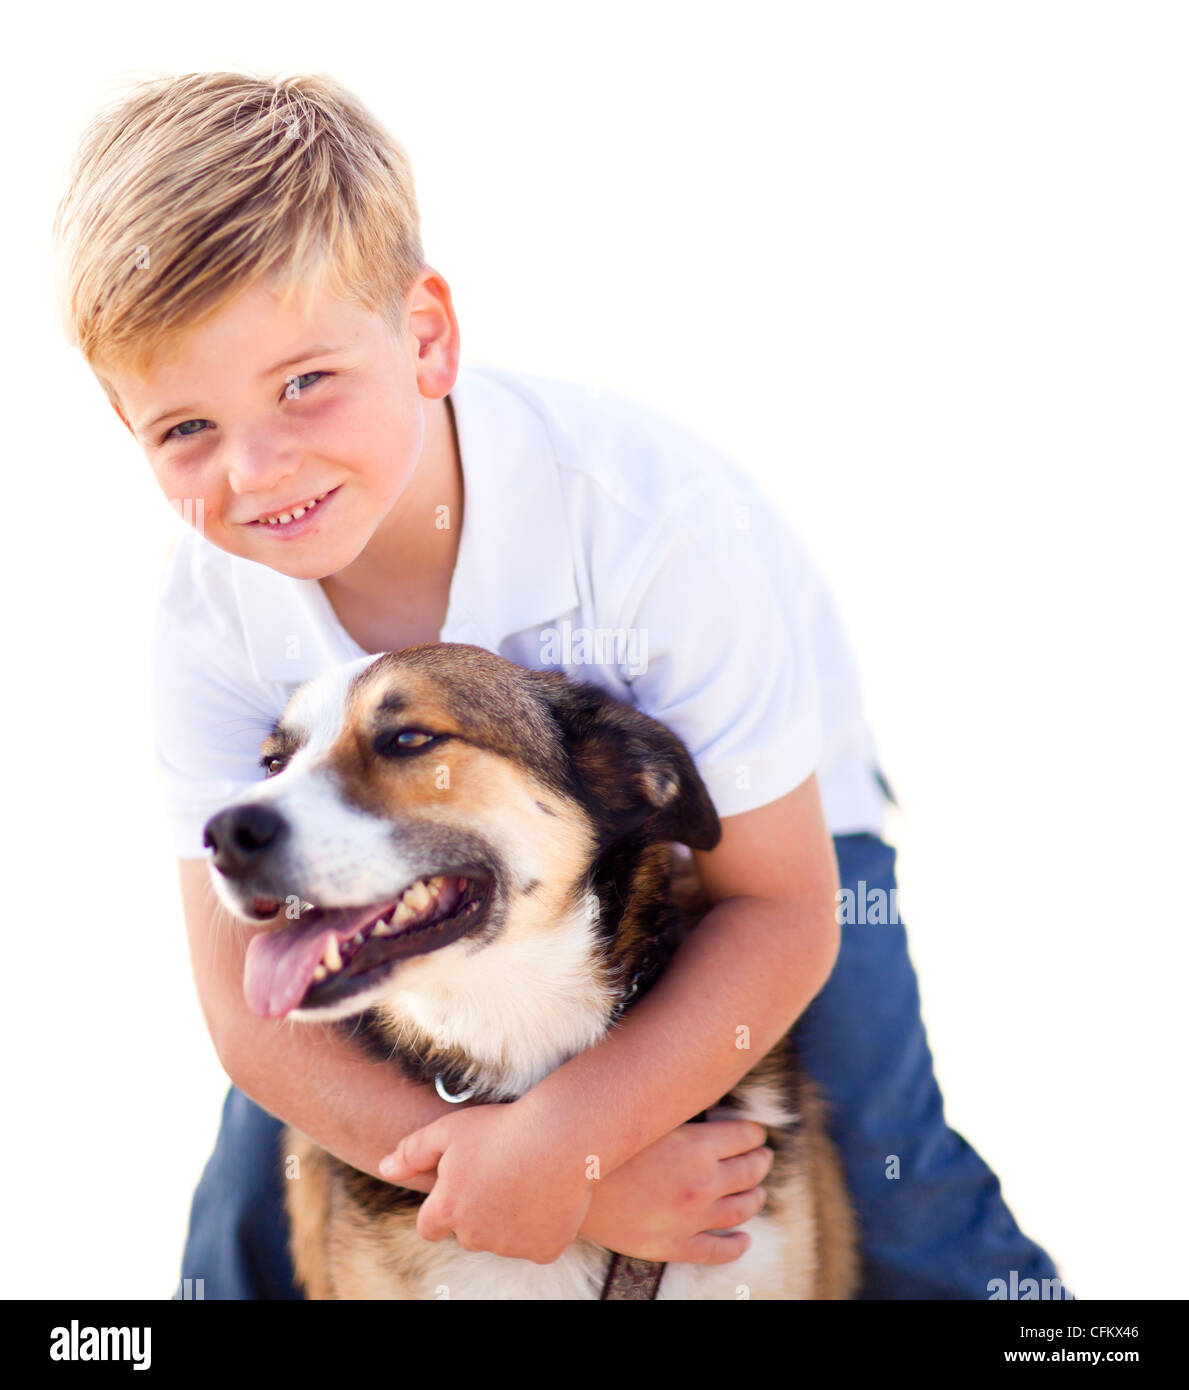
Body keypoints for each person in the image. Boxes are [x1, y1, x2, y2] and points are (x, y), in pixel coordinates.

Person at [53, 69, 1064, 1300]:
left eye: (305, 382)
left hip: (767, 841)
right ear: (128, 426)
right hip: (381, 878)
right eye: (186, 431)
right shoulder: (206, 612)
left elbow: (781, 910)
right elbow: (243, 1004)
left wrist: (570, 1135)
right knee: (243, 1225)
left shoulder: (652, 526)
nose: (259, 470)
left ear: (425, 335)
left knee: (899, 1190)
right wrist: (552, 1177)